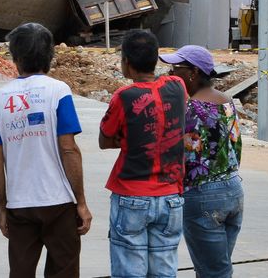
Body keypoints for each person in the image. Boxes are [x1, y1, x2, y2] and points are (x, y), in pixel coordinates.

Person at [0, 23, 92, 278]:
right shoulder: (58, 91)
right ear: (50, 56)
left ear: (16, 58)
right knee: (64, 271)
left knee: (20, 272)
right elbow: (69, 150)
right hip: (58, 202)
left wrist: (3, 208)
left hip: (19, 205)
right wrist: (81, 202)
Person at [99, 29, 187, 278]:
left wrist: (131, 137)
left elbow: (105, 140)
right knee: (164, 271)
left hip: (132, 195)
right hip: (171, 196)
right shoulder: (178, 86)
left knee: (130, 269)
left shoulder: (124, 97)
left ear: (126, 63)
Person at [161, 46, 243, 278]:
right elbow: (236, 147)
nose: (170, 74)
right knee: (218, 268)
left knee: (213, 272)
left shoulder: (189, 109)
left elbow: (182, 157)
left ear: (193, 72)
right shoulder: (227, 102)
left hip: (203, 195)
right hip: (233, 190)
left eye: (176, 68)